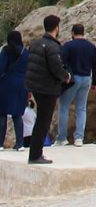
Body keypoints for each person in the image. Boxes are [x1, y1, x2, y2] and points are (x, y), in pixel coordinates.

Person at [24, 13, 70, 164]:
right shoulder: (52, 46)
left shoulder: (36, 43)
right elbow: (56, 67)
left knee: (41, 119)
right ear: (57, 28)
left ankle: (35, 153)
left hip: (36, 86)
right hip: (47, 88)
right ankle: (36, 155)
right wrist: (66, 76)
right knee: (44, 121)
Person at [57, 23, 96, 146]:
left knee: (64, 106)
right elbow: (95, 66)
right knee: (81, 108)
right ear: (83, 32)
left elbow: (62, 62)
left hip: (72, 79)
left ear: (73, 33)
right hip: (86, 78)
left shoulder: (68, 46)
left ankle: (62, 138)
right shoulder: (91, 47)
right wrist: (95, 82)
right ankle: (79, 137)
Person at [0, 31, 28, 151]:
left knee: (2, 114)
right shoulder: (26, 53)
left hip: (6, 84)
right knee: (18, 115)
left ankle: (0, 143)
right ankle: (20, 144)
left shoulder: (6, 51)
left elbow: (1, 68)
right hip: (22, 85)